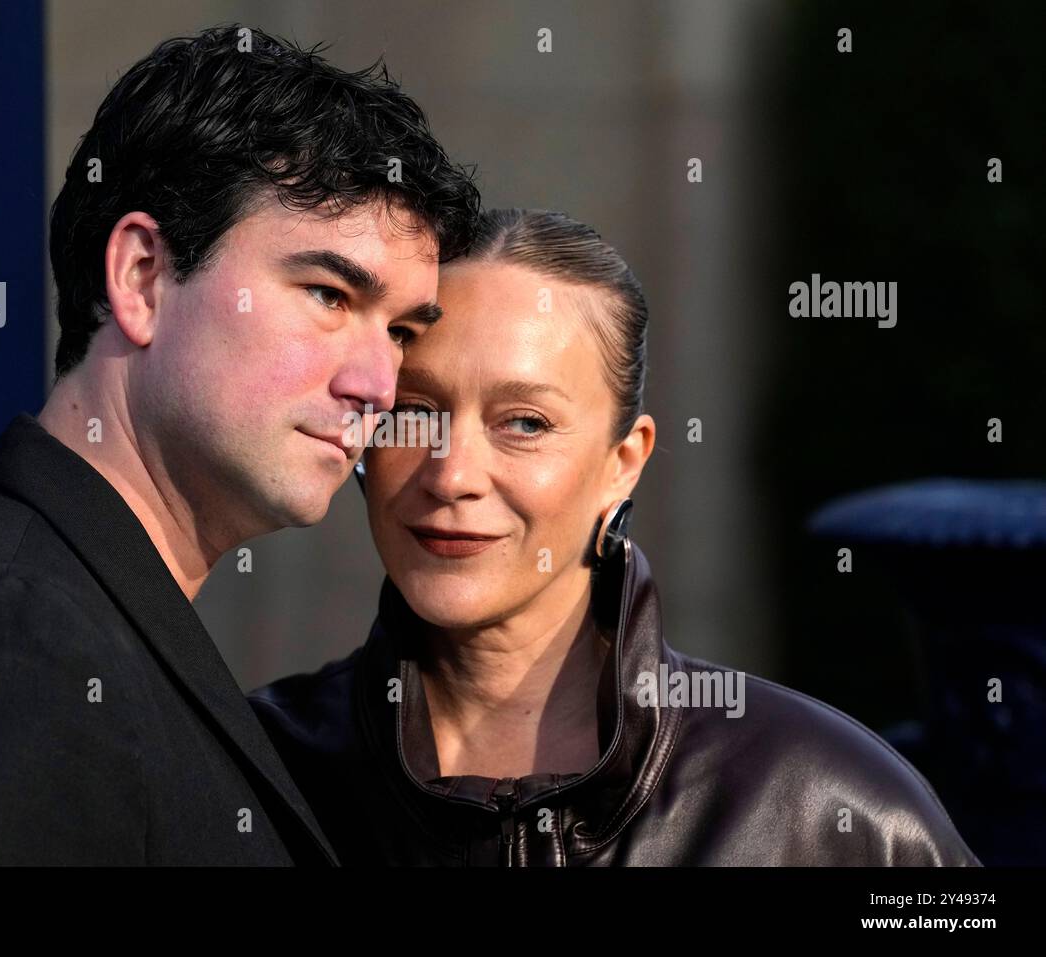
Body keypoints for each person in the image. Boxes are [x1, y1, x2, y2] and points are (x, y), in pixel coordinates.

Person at [0, 26, 480, 865]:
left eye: (398, 330)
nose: (377, 384)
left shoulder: (72, 609)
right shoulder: (9, 631)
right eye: (326, 294)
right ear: (141, 276)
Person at [248, 208, 982, 866]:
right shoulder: (254, 769)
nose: (453, 475)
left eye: (524, 423)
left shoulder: (827, 806)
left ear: (621, 463)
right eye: (415, 412)